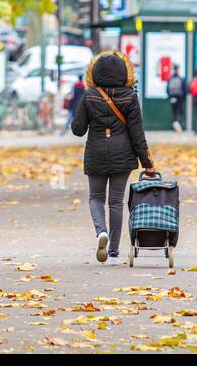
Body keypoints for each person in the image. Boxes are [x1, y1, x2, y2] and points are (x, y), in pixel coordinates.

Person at [71, 51, 155, 264]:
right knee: (116, 202)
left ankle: (101, 233)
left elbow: (78, 130)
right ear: (124, 73)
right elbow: (137, 133)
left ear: (95, 73)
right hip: (123, 153)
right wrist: (147, 163)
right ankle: (114, 253)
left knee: (95, 198)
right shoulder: (130, 96)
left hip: (96, 153)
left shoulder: (89, 95)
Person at [166, 64, 185, 132]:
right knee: (179, 112)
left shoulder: (170, 78)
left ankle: (174, 127)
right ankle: (179, 126)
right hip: (180, 98)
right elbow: (184, 89)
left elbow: (167, 89)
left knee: (174, 112)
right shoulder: (181, 78)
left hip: (172, 97)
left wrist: (170, 96)